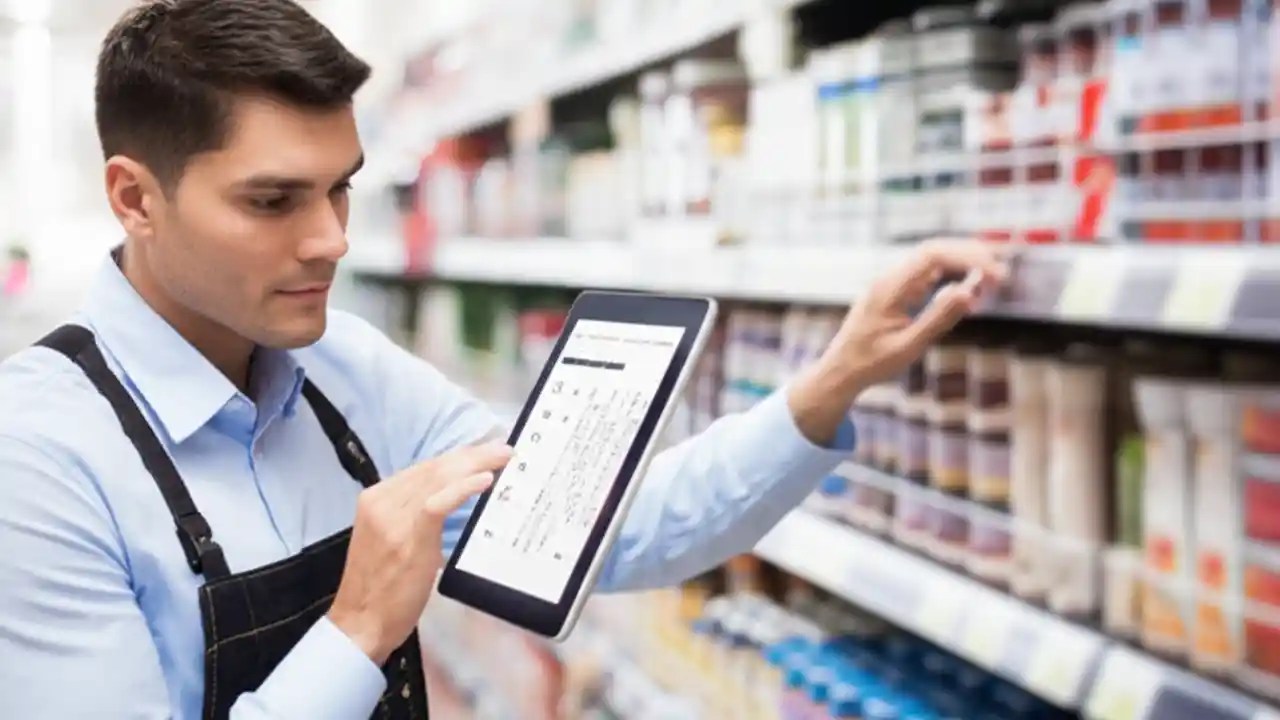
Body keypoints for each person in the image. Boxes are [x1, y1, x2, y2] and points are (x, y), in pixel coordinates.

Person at [0, 1, 1007, 718]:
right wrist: (356, 631)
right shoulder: (38, 461)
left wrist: (835, 380)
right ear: (134, 198)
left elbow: (609, 533)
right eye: (274, 201)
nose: (331, 240)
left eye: (340, 189)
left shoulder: (346, 372)